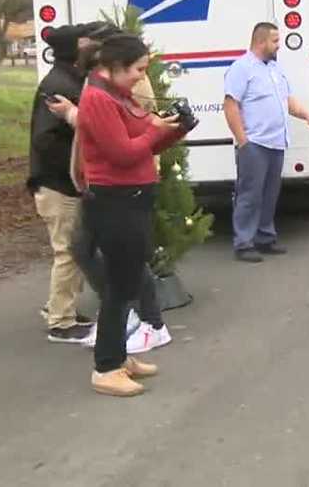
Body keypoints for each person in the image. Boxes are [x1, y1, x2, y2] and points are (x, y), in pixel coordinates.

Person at [42, 22, 171, 354]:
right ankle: (122, 338)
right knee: (98, 256)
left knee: (120, 266)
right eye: (140, 69)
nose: (143, 76)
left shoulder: (112, 90)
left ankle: (134, 333)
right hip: (107, 185)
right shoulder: (100, 90)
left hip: (121, 187)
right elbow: (120, 138)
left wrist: (164, 130)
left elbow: (128, 141)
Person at [75, 35, 190, 396]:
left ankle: (118, 356)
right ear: (116, 66)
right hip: (115, 201)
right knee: (121, 286)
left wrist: (176, 129)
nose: (142, 78)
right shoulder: (97, 99)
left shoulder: (117, 96)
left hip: (133, 197)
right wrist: (156, 128)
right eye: (139, 70)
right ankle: (106, 368)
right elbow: (123, 153)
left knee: (123, 284)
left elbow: (144, 144)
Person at [223, 22, 309, 263]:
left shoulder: (275, 69)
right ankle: (244, 243)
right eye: (275, 41)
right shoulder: (241, 69)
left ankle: (265, 237)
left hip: (276, 143)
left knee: (270, 194)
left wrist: (308, 116)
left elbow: (288, 101)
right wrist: (243, 140)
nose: (279, 45)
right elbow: (231, 105)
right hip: (255, 143)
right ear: (261, 42)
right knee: (250, 194)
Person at [27, 23, 103, 344]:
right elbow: (46, 140)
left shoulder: (71, 79)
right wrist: (76, 171)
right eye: (86, 45)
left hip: (63, 184)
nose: (92, 49)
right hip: (57, 185)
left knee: (74, 249)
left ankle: (64, 308)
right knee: (68, 252)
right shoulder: (58, 86)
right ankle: (60, 321)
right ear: (74, 51)